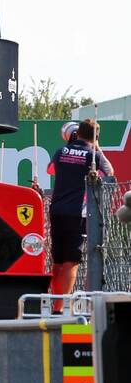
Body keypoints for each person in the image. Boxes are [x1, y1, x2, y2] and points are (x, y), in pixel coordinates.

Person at [47, 118, 114, 299]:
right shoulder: (93, 155)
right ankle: (61, 308)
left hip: (56, 210)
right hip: (77, 212)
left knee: (57, 261)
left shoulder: (61, 151)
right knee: (71, 261)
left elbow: (50, 170)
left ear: (77, 133)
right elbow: (110, 171)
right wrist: (96, 148)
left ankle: (55, 304)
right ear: (95, 137)